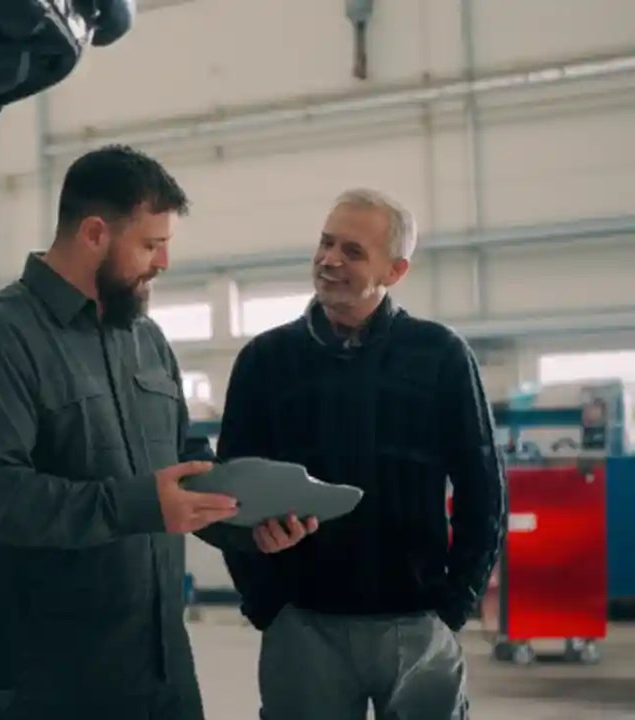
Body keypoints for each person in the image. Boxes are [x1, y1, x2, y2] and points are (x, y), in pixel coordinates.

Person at [0, 145, 313, 720]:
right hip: (46, 677)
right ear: (94, 234)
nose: (162, 261)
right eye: (150, 244)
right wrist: (141, 504)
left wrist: (249, 523)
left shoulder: (144, 337)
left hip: (158, 662)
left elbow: (184, 461)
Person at [213, 188, 508, 719]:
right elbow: (229, 489)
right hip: (302, 623)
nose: (329, 260)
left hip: (416, 624)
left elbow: (482, 486)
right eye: (326, 243)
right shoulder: (265, 361)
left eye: (352, 251)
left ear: (395, 271)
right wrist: (264, 601)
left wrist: (453, 605)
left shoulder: (440, 356)